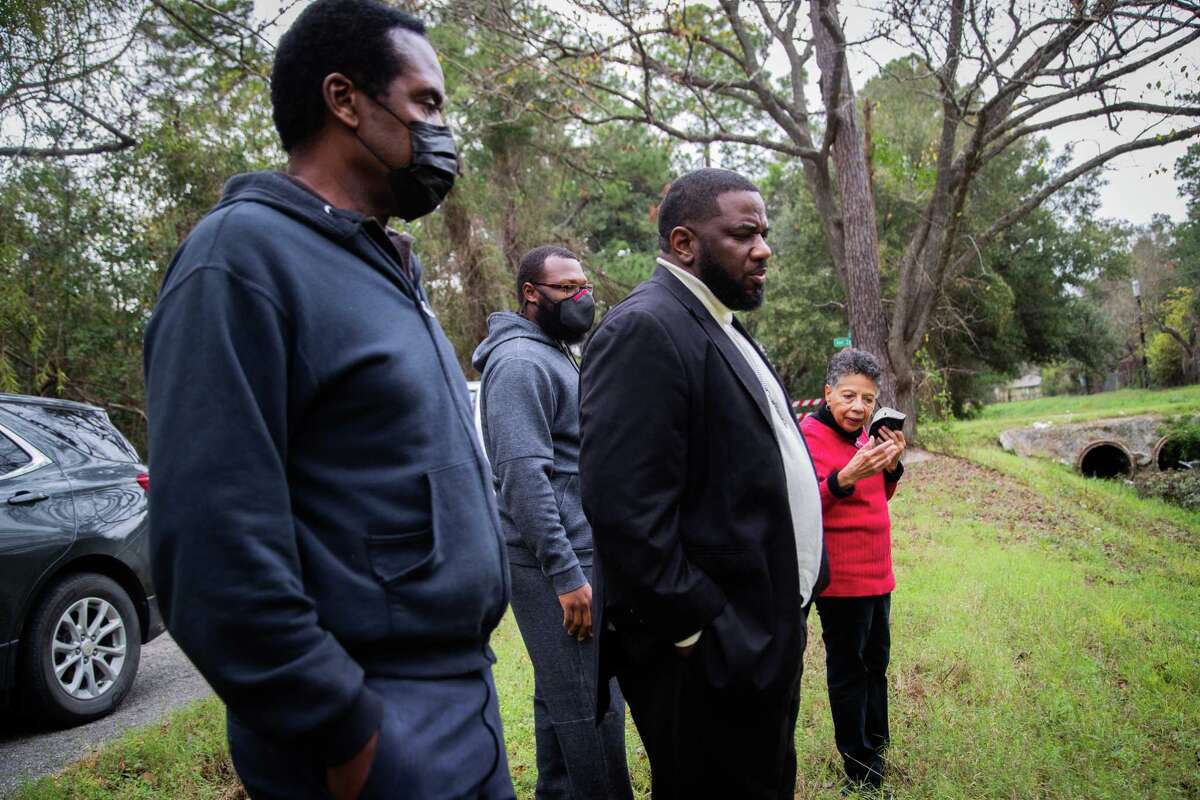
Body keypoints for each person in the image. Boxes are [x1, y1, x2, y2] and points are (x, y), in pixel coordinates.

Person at [143, 2, 514, 798]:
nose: (441, 132)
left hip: (464, 701)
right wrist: (343, 729)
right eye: (426, 104)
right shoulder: (238, 261)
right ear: (345, 100)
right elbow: (211, 543)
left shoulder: (383, 265)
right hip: (377, 727)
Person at [578, 168, 828, 799]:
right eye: (744, 234)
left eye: (764, 233)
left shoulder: (717, 322)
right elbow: (624, 509)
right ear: (685, 243)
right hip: (709, 651)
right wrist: (698, 630)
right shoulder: (645, 328)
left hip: (762, 628)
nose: (763, 248)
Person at [473, 245, 634, 799]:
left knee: (561, 698)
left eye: (584, 285)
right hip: (554, 564)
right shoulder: (520, 363)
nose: (581, 296)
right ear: (531, 293)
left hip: (577, 550)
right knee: (590, 709)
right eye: (567, 287)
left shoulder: (553, 351)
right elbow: (522, 477)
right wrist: (567, 576)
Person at [800, 349, 905, 794]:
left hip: (879, 572)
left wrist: (892, 464)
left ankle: (876, 747)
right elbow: (804, 504)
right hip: (841, 580)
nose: (858, 408)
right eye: (848, 396)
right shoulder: (807, 436)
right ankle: (860, 769)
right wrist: (845, 476)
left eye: (867, 398)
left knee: (876, 665)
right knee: (849, 671)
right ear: (828, 393)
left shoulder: (866, 436)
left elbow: (878, 495)